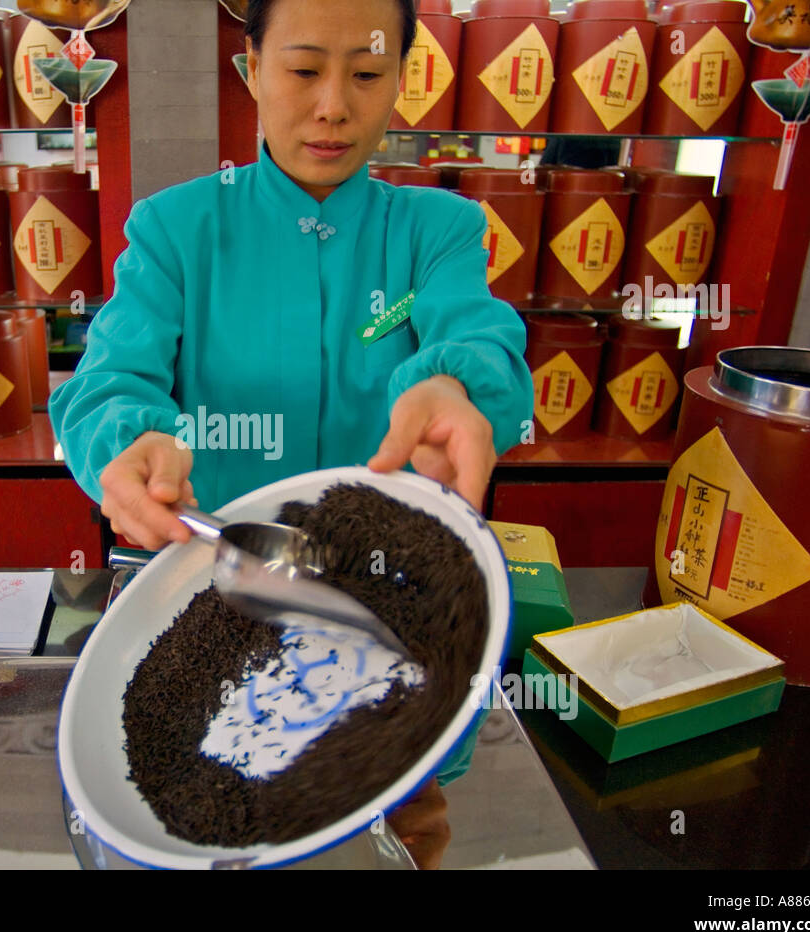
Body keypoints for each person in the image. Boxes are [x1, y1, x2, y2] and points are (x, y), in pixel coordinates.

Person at [49, 0, 533, 869]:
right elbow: (112, 378)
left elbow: (474, 331)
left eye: (367, 74)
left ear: (400, 82)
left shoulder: (436, 231)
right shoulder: (176, 230)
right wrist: (127, 442)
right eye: (304, 70)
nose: (333, 107)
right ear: (251, 72)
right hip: (225, 608)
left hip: (396, 618)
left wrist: (455, 385)